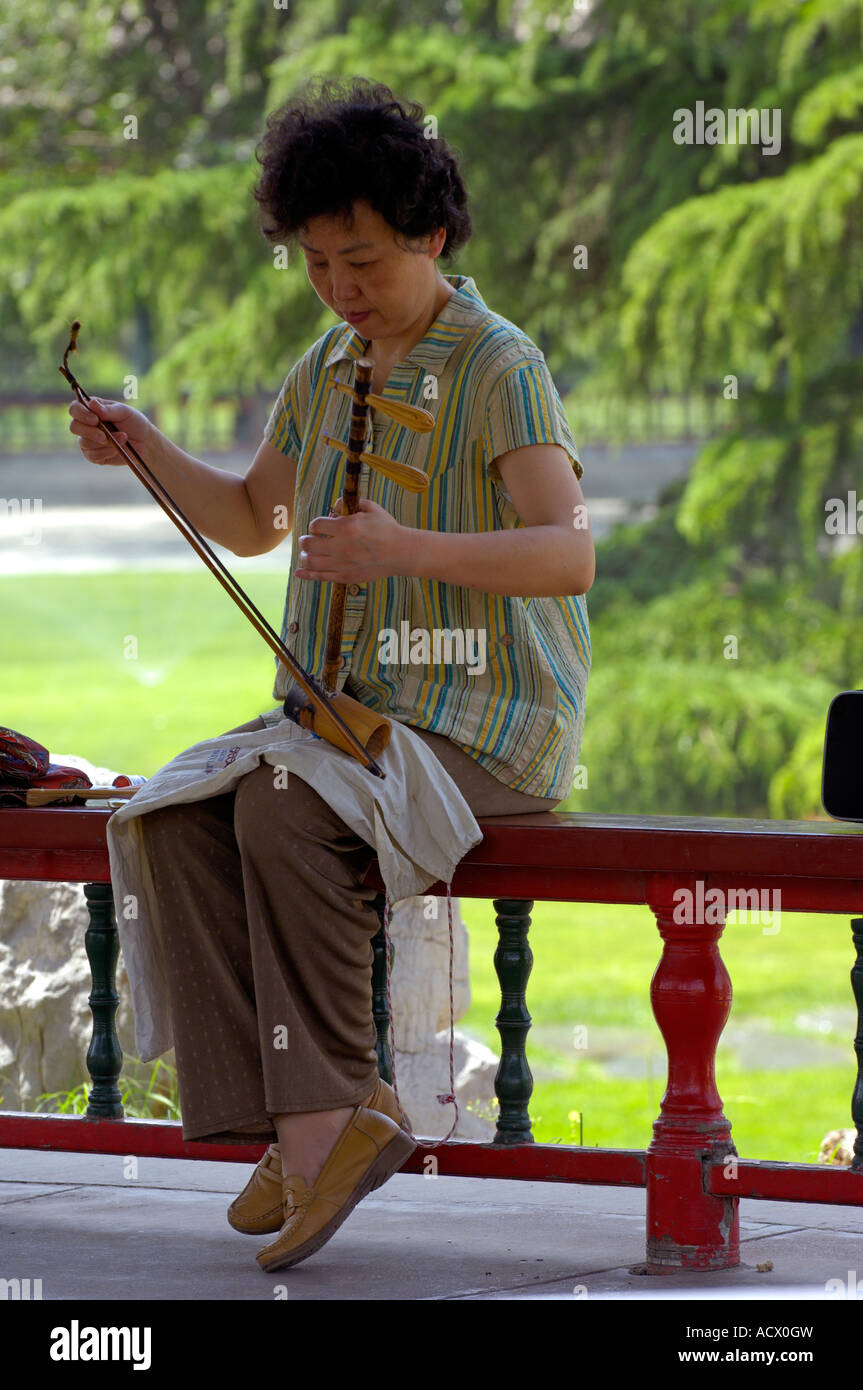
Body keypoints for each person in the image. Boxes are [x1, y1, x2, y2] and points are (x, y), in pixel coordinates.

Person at [67, 77, 594, 1274]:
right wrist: (145, 446)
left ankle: (324, 1127)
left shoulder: (499, 365)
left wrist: (408, 550)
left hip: (483, 721)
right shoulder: (325, 368)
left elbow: (569, 554)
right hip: (347, 726)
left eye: (361, 260)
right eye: (315, 265)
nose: (341, 288)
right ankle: (301, 1122)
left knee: (282, 801)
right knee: (177, 814)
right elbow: (255, 518)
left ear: (433, 234)